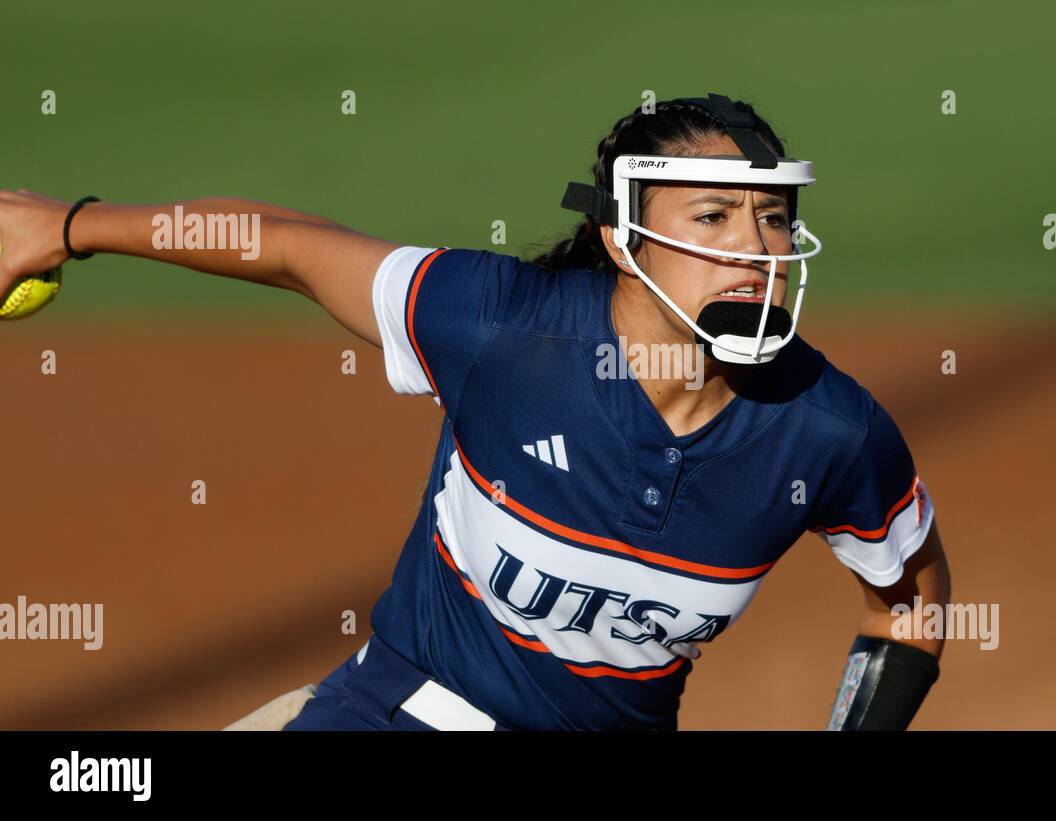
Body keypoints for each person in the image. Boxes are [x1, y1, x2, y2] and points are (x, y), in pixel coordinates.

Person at [0, 93, 951, 731]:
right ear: (625, 243)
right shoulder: (500, 326)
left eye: (772, 217)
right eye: (713, 218)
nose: (755, 249)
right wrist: (73, 226)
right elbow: (288, 246)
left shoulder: (827, 429)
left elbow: (911, 603)